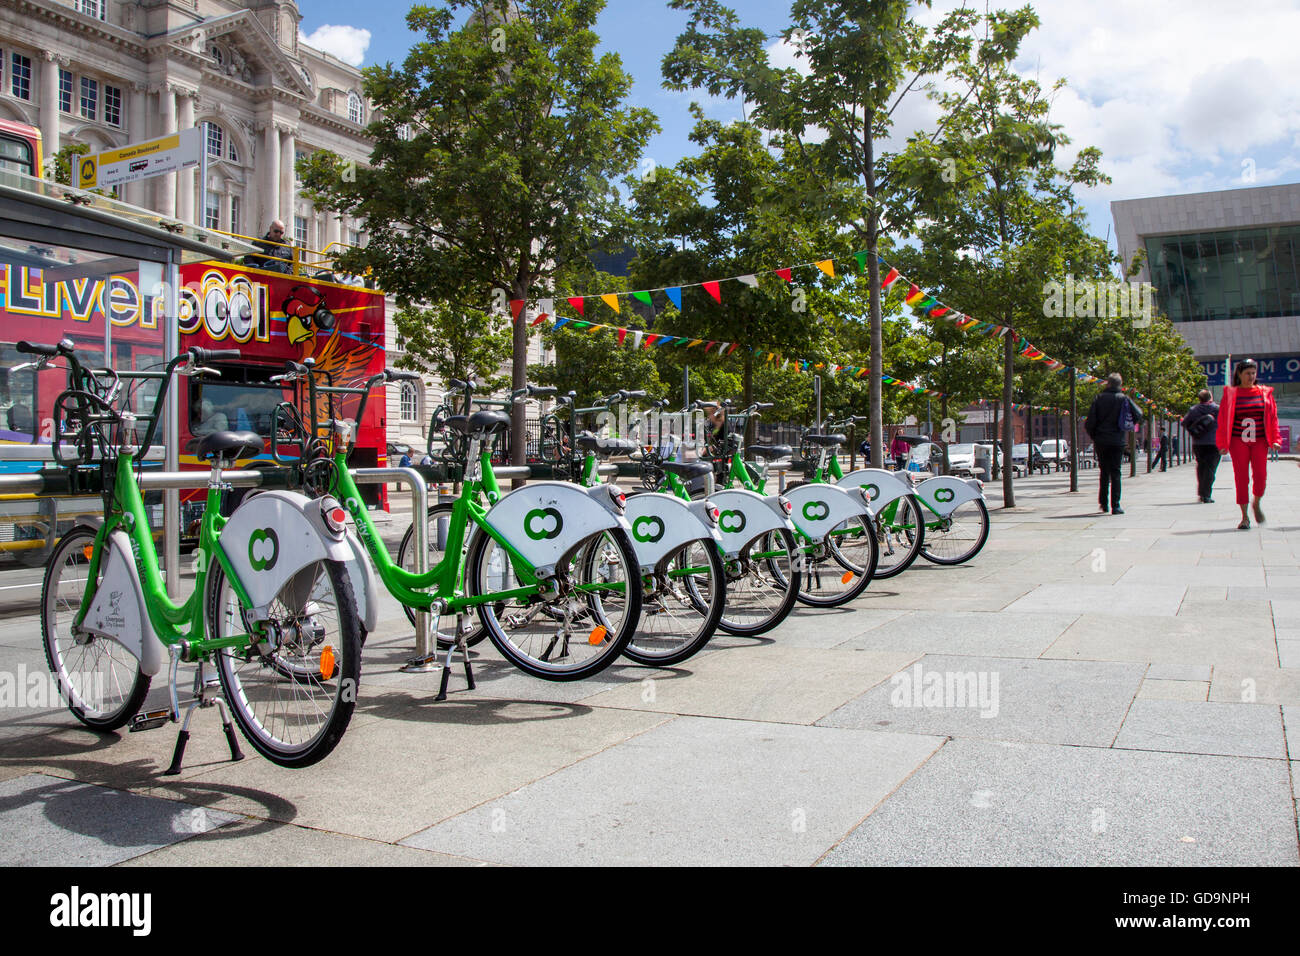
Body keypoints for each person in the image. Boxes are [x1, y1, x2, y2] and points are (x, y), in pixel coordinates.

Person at [1216, 358, 1281, 529]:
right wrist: (1222, 443)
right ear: (1239, 374)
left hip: (1260, 441)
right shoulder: (1231, 394)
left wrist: (1275, 440)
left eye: (1253, 373)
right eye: (1247, 373)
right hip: (1239, 442)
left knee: (1260, 476)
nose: (1251, 376)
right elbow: (1223, 420)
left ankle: (1257, 502)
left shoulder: (1265, 393)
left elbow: (1273, 419)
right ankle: (1244, 517)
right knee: (1241, 477)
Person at [1084, 372, 1141, 515]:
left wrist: (1095, 436)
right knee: (1116, 472)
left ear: (1108, 384)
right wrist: (1126, 426)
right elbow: (1138, 414)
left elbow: (1089, 422)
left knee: (1104, 472)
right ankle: (1116, 505)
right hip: (1117, 440)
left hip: (1101, 440)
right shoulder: (1124, 399)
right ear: (1120, 385)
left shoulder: (1099, 399)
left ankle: (1103, 503)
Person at [1182, 389, 1220, 503]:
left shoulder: (1194, 409)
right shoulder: (1217, 409)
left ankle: (1202, 493)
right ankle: (1206, 495)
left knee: (1201, 467)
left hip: (1198, 443)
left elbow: (1184, 423)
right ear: (1211, 397)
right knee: (1211, 469)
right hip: (1214, 443)